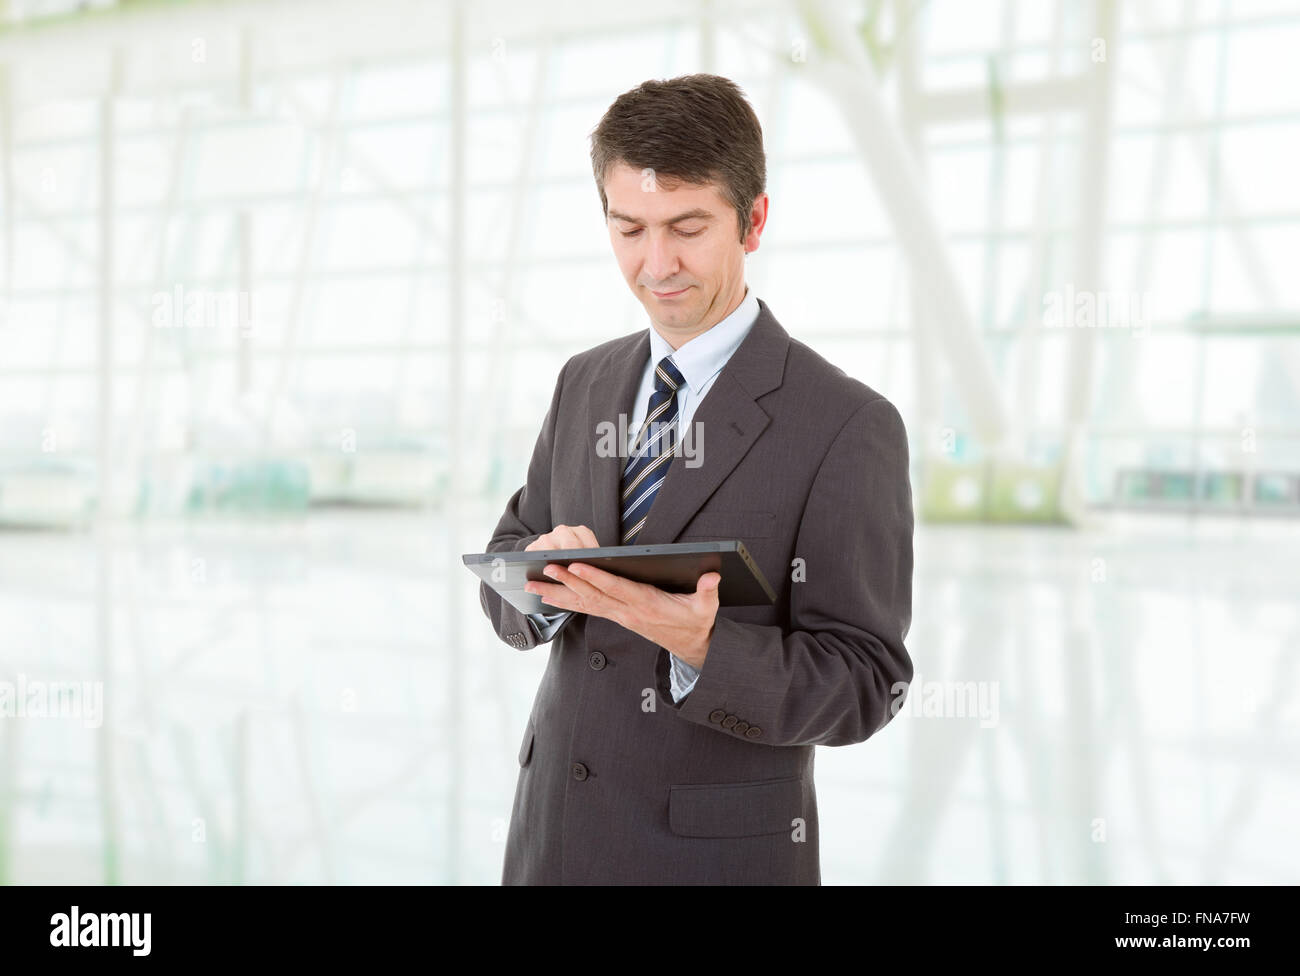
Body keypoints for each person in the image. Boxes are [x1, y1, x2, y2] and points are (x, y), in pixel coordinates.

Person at [477, 73, 914, 885]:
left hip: (713, 860)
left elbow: (867, 682)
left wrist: (703, 648)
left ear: (754, 221)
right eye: (629, 228)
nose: (656, 264)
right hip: (553, 842)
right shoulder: (584, 382)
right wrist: (537, 580)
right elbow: (507, 557)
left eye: (687, 227)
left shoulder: (846, 425)